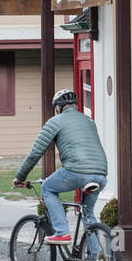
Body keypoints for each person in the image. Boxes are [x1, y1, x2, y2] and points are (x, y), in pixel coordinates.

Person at [13, 87, 108, 249]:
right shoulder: (89, 121)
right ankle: (95, 260)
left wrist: (20, 177)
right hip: (101, 174)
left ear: (58, 108)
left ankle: (62, 232)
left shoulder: (55, 121)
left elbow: (35, 153)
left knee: (48, 187)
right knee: (88, 212)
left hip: (77, 171)